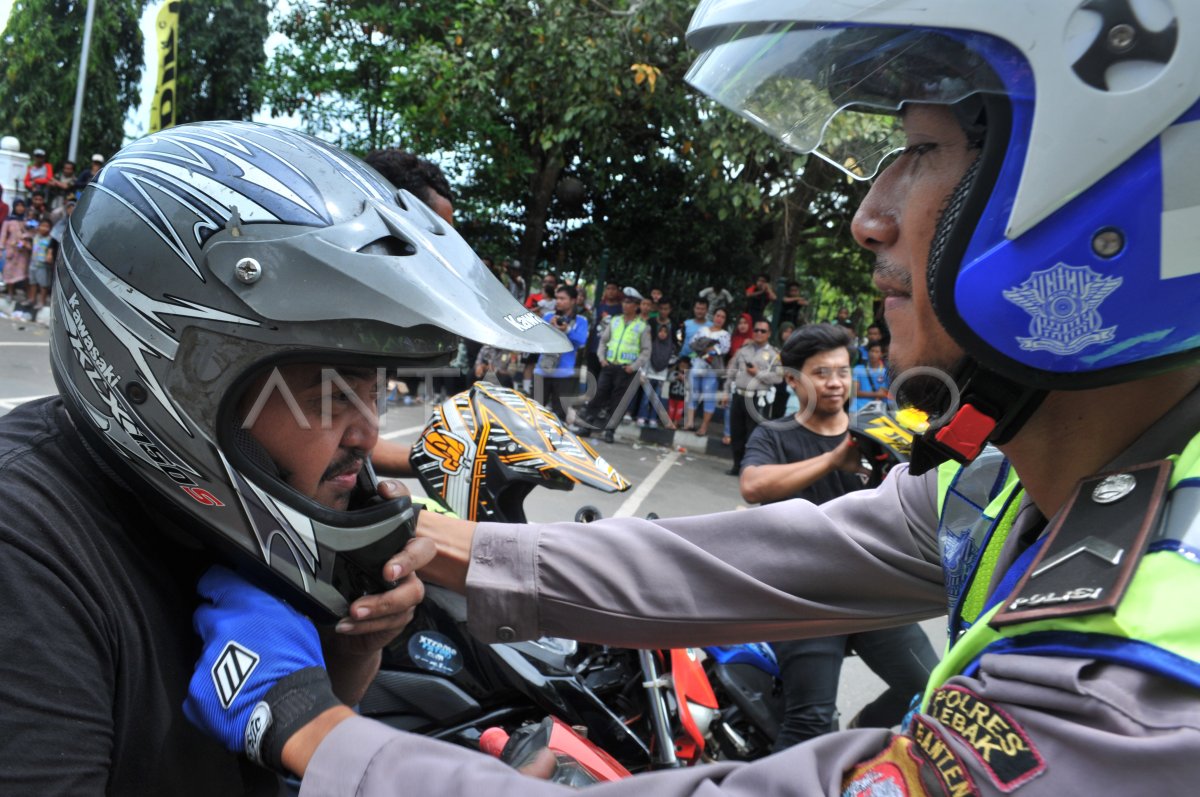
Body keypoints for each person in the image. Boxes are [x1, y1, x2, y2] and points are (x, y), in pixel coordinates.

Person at [186, 5, 1200, 796]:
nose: (867, 215)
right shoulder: (1044, 480)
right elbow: (748, 555)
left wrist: (318, 733)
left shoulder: (1136, 686)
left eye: (923, 153)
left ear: (1095, 203)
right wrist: (434, 542)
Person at [0, 120, 567, 794]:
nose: (365, 434)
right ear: (184, 375)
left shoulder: (242, 520)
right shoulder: (27, 548)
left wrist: (351, 651)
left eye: (374, 389)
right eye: (329, 392)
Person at [740, 324, 938, 745]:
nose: (835, 384)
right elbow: (753, 486)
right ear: (793, 380)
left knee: (928, 688)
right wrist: (833, 460)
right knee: (810, 723)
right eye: (822, 373)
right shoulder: (774, 436)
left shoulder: (881, 431)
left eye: (843, 372)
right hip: (807, 598)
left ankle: (856, 737)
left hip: (873, 592)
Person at [573, 286, 650, 443]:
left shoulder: (642, 326)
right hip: (609, 366)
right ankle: (587, 426)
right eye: (624, 302)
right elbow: (603, 341)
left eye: (629, 303)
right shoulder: (615, 321)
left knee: (618, 401)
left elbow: (646, 351)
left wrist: (634, 366)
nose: (625, 305)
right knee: (597, 396)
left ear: (636, 306)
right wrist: (602, 358)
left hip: (626, 370)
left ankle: (610, 431)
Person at [725, 318, 781, 475]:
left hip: (757, 398)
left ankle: (747, 468)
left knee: (753, 435)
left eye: (763, 331)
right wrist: (725, 390)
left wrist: (758, 373)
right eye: (756, 330)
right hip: (739, 395)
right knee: (737, 432)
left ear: (769, 334)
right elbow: (732, 372)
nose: (759, 333)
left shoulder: (774, 355)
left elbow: (778, 377)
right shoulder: (743, 350)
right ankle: (736, 465)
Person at [535, 284, 589, 421]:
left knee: (559, 415)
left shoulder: (581, 321)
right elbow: (537, 338)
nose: (558, 301)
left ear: (573, 300)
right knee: (534, 411)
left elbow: (581, 341)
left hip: (564, 373)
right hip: (543, 370)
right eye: (557, 298)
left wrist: (567, 330)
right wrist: (550, 327)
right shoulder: (548, 317)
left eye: (563, 298)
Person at [684, 305, 730, 436]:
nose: (719, 319)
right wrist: (710, 346)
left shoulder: (725, 334)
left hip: (711, 369)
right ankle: (690, 423)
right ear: (713, 316)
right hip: (697, 366)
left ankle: (704, 427)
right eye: (718, 315)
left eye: (723, 317)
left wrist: (706, 347)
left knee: (709, 398)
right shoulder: (703, 329)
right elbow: (692, 343)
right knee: (692, 394)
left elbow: (724, 349)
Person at [0, 198, 30, 308]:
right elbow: (3, 235)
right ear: (14, 207)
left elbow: (31, 233)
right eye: (18, 206)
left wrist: (25, 236)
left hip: (23, 251)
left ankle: (27, 295)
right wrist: (1, 248)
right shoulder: (8, 220)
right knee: (9, 271)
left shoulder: (27, 220)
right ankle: (10, 293)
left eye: (22, 206)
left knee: (23, 272)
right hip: (11, 250)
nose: (20, 208)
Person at [852, 341, 890, 412]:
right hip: (858, 409)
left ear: (881, 354)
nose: (873, 354)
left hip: (879, 410)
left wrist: (883, 394)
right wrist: (877, 394)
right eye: (871, 351)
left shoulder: (886, 371)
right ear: (868, 352)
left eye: (876, 352)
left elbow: (889, 393)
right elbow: (854, 392)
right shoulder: (858, 369)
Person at [27, 217, 54, 310]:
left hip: (43, 265)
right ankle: (32, 299)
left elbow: (52, 252)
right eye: (42, 226)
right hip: (33, 263)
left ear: (50, 228)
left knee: (43, 284)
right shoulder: (35, 236)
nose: (43, 228)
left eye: (46, 226)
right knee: (33, 282)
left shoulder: (50, 239)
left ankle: (41, 302)